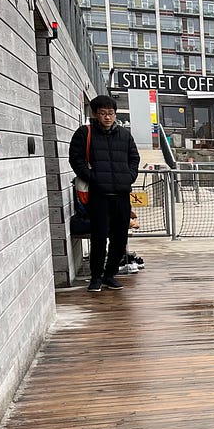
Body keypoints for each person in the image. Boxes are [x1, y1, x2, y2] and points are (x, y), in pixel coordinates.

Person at [69, 95, 140, 292]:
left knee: (120, 238)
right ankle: (96, 277)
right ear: (94, 114)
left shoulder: (125, 135)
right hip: (98, 196)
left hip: (121, 195)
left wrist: (129, 177)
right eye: (102, 113)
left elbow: (134, 158)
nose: (107, 117)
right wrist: (92, 178)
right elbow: (75, 159)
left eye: (110, 113)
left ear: (115, 114)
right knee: (99, 238)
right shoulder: (85, 133)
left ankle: (110, 275)